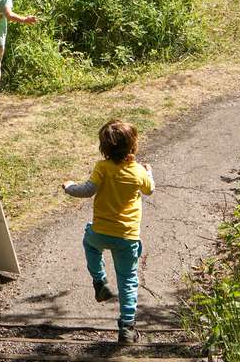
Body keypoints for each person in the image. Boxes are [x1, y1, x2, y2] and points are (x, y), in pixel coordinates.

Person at [62, 120, 154, 344]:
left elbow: (87, 190)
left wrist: (69, 186)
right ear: (133, 147)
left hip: (101, 231)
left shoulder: (102, 168)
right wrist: (149, 173)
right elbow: (149, 190)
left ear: (104, 149)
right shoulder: (139, 171)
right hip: (127, 237)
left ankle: (100, 282)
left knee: (90, 244)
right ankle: (127, 327)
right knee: (128, 278)